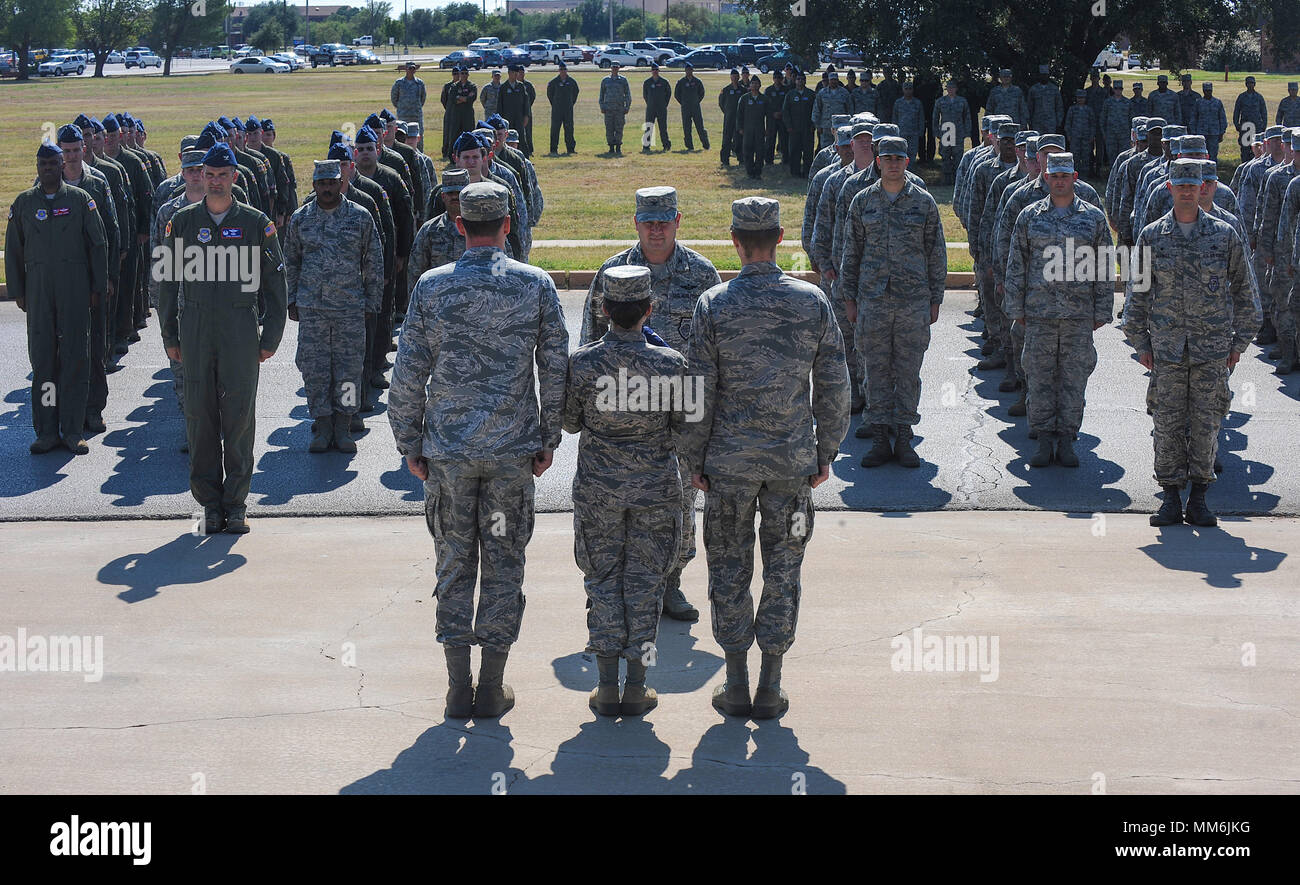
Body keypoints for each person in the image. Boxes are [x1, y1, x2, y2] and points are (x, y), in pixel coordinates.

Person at [387, 181, 568, 720]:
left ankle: (455, 686)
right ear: (508, 225)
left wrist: (409, 443)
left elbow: (408, 374)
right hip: (512, 452)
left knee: (453, 563)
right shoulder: (534, 284)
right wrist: (548, 436)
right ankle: (491, 686)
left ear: (461, 226)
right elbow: (556, 367)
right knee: (504, 564)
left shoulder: (432, 286)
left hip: (449, 452)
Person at [684, 196, 850, 719]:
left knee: (728, 569)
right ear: (780, 239)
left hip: (728, 466)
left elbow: (697, 393)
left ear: (735, 242)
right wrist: (826, 450)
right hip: (790, 463)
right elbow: (835, 385)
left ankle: (735, 684)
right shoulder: (811, 301)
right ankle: (771, 686)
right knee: (784, 569)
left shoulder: (713, 304)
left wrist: (694, 460)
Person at [581, 187, 721, 621]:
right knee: (610, 510)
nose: (656, 229)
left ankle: (669, 583)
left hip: (675, 422)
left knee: (677, 507)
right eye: (648, 222)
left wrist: (702, 424)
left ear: (678, 220)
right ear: (636, 222)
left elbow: (713, 353)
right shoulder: (613, 273)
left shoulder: (700, 275)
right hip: (617, 423)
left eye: (663, 221)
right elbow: (588, 346)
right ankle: (608, 588)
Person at [565, 264, 687, 716]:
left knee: (601, 580)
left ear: (603, 309)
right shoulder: (673, 364)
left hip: (599, 489)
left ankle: (606, 686)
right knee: (645, 582)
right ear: (649, 309)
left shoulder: (581, 363)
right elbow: (687, 428)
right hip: (655, 489)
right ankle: (636, 686)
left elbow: (571, 422)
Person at [157, 143, 287, 534]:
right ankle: (210, 506)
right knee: (199, 418)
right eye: (208, 174)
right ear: (199, 176)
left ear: (234, 177)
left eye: (222, 174)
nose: (214, 181)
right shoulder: (181, 222)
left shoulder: (254, 223)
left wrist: (272, 336)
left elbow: (276, 284)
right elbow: (166, 281)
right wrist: (169, 334)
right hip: (195, 328)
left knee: (239, 419)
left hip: (239, 331)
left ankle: (237, 504)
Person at [1123, 159, 1260, 528]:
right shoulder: (1152, 235)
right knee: (1166, 423)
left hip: (1211, 349)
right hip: (1166, 350)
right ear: (1169, 188)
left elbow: (1247, 294)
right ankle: (1169, 497)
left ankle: (1199, 497)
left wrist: (1238, 344)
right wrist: (1140, 343)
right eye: (1180, 185)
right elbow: (1136, 295)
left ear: (1203, 188)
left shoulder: (1224, 234)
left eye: (1193, 185)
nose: (1186, 190)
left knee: (1206, 422)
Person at [839, 136, 946, 468]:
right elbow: (851, 253)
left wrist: (935, 299)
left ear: (907, 163)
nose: (893, 164)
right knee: (875, 369)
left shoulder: (924, 203)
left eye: (899, 158)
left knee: (908, 371)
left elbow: (936, 252)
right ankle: (879, 437)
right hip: (872, 300)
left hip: (913, 301)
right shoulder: (862, 202)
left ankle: (903, 437)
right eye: (888, 158)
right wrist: (850, 298)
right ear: (878, 162)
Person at [1003, 153, 1113, 468]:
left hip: (1079, 315)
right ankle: (1042, 439)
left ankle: (1066, 439)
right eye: (1055, 175)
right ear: (1047, 178)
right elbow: (1017, 264)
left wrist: (1102, 310)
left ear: (1074, 177)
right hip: (1039, 314)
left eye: (1065, 175)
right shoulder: (1029, 216)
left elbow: (1104, 265)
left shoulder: (1092, 217)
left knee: (1073, 379)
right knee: (1038, 377)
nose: (1060, 181)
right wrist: (1016, 307)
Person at [7, 142, 108, 455]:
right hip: (39, 296)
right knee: (44, 362)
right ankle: (47, 431)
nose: (47, 169)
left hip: (75, 293)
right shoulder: (23, 203)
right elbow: (13, 250)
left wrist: (97, 287)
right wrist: (19, 292)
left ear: (62, 165)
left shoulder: (81, 200)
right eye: (42, 165)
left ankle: (73, 429)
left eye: (53, 163)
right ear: (37, 168)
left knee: (77, 359)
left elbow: (98, 245)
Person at [283, 159, 384, 454]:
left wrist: (372, 302)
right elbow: (290, 262)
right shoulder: (300, 219)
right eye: (322, 183)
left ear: (342, 183)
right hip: (312, 308)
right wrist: (291, 299)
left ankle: (344, 426)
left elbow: (373, 261)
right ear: (314, 185)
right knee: (315, 370)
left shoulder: (360, 217)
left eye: (332, 182)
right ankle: (323, 425)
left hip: (350, 308)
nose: (327, 188)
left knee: (349, 371)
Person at [56, 124, 119, 438]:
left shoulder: (98, 181)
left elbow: (111, 228)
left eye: (75, 150)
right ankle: (69, 409)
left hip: (92, 278)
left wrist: (108, 277)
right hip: (61, 282)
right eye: (65, 151)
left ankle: (94, 409)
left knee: (95, 344)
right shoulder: (48, 185)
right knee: (64, 347)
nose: (71, 156)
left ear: (84, 148)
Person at [408, 169, 469, 295]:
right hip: (439, 304)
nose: (454, 196)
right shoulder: (430, 230)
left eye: (459, 192)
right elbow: (415, 271)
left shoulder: (483, 227)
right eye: (450, 193)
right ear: (443, 196)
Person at [933, 79, 972, 185]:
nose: (951, 90)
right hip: (946, 132)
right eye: (949, 88)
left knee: (958, 156)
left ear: (956, 89)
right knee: (945, 156)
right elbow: (935, 118)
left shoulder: (962, 101)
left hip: (958, 132)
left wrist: (967, 131)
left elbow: (967, 117)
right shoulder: (940, 101)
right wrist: (936, 132)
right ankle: (946, 180)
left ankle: (957, 180)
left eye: (953, 88)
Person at [782, 71, 816, 177]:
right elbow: (785, 111)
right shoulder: (790, 94)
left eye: (802, 79)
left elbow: (815, 110)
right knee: (794, 150)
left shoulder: (811, 94)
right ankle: (795, 172)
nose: (800, 81)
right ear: (795, 81)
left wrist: (813, 125)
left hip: (807, 128)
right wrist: (788, 126)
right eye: (798, 79)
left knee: (808, 151)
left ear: (805, 81)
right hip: (794, 128)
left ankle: (807, 172)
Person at [599, 61, 632, 156]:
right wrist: (602, 106)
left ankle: (618, 146)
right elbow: (601, 95)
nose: (615, 69)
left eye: (616, 67)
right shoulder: (605, 80)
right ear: (611, 68)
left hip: (619, 109)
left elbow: (628, 94)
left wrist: (627, 106)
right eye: (613, 67)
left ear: (619, 68)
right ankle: (611, 147)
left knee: (619, 128)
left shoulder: (623, 80)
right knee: (609, 128)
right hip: (608, 109)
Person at [674, 63, 709, 152]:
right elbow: (676, 94)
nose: (689, 71)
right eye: (687, 70)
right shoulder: (681, 82)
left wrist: (696, 101)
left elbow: (702, 93)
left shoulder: (697, 81)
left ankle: (705, 144)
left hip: (695, 107)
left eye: (690, 70)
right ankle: (689, 146)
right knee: (687, 127)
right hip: (685, 108)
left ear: (692, 70)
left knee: (700, 126)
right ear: (685, 71)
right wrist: (683, 103)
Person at [546, 62, 580, 154]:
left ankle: (570, 149)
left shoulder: (572, 82)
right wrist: (555, 104)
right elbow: (550, 94)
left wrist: (570, 103)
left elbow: (575, 93)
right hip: (557, 110)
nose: (563, 71)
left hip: (568, 110)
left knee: (569, 129)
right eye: (561, 69)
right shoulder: (554, 82)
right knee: (555, 129)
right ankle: (553, 149)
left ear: (566, 70)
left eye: (564, 69)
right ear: (559, 70)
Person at [1233, 76, 1267, 164]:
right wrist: (1237, 124)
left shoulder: (1259, 97)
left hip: (1257, 127)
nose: (1250, 85)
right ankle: (1244, 167)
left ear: (1254, 84)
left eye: (1252, 83)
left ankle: (1255, 166)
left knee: (1256, 148)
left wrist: (1264, 126)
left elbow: (1264, 112)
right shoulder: (1241, 97)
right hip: (1245, 127)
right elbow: (1237, 111)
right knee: (1245, 149)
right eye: (1248, 83)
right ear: (1246, 84)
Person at [739, 75, 767, 179]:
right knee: (747, 151)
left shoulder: (764, 99)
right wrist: (740, 127)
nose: (754, 86)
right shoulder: (744, 98)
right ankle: (750, 172)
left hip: (760, 130)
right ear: (749, 86)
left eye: (756, 84)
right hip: (748, 130)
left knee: (760, 152)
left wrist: (768, 129)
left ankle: (758, 172)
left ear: (760, 85)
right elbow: (739, 115)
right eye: (752, 84)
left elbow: (769, 116)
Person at [1064, 90, 1096, 178]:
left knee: (1086, 157)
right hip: (1075, 137)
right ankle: (1074, 176)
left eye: (1082, 98)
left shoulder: (1089, 110)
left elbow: (1093, 124)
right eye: (1079, 98)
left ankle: (1084, 176)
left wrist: (1092, 136)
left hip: (1086, 137)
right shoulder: (1072, 109)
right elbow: (1068, 124)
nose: (1080, 100)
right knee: (1075, 157)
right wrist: (1069, 136)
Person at [1193, 82, 1228, 162]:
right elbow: (1194, 118)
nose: (1207, 92)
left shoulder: (1217, 102)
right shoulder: (1198, 102)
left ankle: (1212, 171)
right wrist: (1194, 132)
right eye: (1206, 91)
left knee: (1213, 155)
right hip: (1201, 133)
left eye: (1209, 91)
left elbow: (1222, 118)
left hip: (1214, 133)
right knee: (1201, 154)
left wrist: (1222, 132)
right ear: (1203, 91)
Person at [718, 68, 746, 167]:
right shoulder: (725, 90)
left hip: (739, 119)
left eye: (736, 76)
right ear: (730, 77)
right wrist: (727, 112)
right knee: (726, 139)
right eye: (733, 76)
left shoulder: (743, 90)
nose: (734, 78)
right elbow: (721, 103)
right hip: (729, 118)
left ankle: (741, 158)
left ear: (739, 77)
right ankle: (725, 159)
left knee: (739, 139)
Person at [643, 62, 672, 152]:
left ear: (658, 71)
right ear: (651, 71)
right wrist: (650, 103)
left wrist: (664, 104)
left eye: (656, 70)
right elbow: (645, 95)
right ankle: (646, 146)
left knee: (663, 128)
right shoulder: (647, 82)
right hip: (651, 108)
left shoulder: (664, 82)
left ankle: (666, 145)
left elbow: (668, 94)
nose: (655, 72)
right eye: (653, 70)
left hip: (661, 108)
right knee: (649, 127)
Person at [1028, 64, 1064, 134]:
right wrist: (1030, 122)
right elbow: (1030, 107)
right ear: (1039, 75)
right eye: (1042, 75)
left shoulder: (1054, 89)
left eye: (1045, 75)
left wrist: (1058, 123)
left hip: (1051, 123)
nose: (1044, 77)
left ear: (1048, 75)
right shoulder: (1033, 89)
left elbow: (1059, 107)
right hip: (1037, 123)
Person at [893, 81, 924, 162]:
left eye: (910, 89)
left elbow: (921, 118)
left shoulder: (917, 103)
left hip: (914, 133)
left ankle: (911, 170)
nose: (908, 91)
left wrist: (921, 131)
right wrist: (894, 132)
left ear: (913, 90)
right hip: (901, 132)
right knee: (900, 153)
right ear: (903, 90)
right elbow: (895, 118)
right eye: (906, 89)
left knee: (912, 154)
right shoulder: (898, 102)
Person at [764, 69, 790, 164]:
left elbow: (788, 105)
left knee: (784, 140)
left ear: (782, 79)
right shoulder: (768, 90)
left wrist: (781, 113)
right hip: (772, 119)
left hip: (783, 119)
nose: (777, 80)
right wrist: (772, 113)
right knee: (770, 140)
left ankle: (785, 159)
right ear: (773, 79)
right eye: (775, 78)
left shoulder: (786, 90)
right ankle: (769, 160)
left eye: (779, 78)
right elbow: (766, 105)